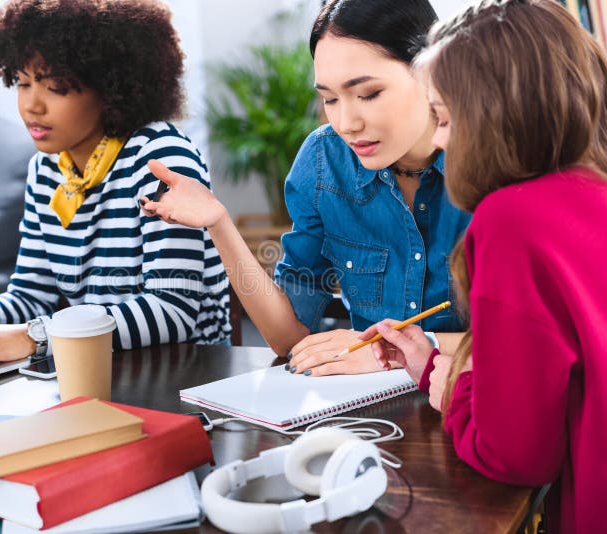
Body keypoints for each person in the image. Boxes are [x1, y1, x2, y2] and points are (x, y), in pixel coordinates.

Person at [0, 0, 231, 372]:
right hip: (97, 369)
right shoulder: (47, 169)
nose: (31, 106)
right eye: (23, 83)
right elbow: (31, 297)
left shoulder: (160, 159)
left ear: (111, 88)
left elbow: (172, 312)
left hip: (185, 374)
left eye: (55, 87)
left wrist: (36, 336)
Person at [361, 1, 607, 531]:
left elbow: (516, 455)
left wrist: (451, 386)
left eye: (445, 119)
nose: (442, 140)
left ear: (493, 115)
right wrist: (434, 366)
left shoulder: (510, 219)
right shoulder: (595, 192)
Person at [141, 0, 470, 375]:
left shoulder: (498, 159)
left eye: (368, 94)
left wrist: (393, 349)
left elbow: (535, 340)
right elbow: (289, 338)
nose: (346, 123)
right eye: (330, 99)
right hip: (372, 411)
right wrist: (219, 222)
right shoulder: (322, 162)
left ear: (431, 70)